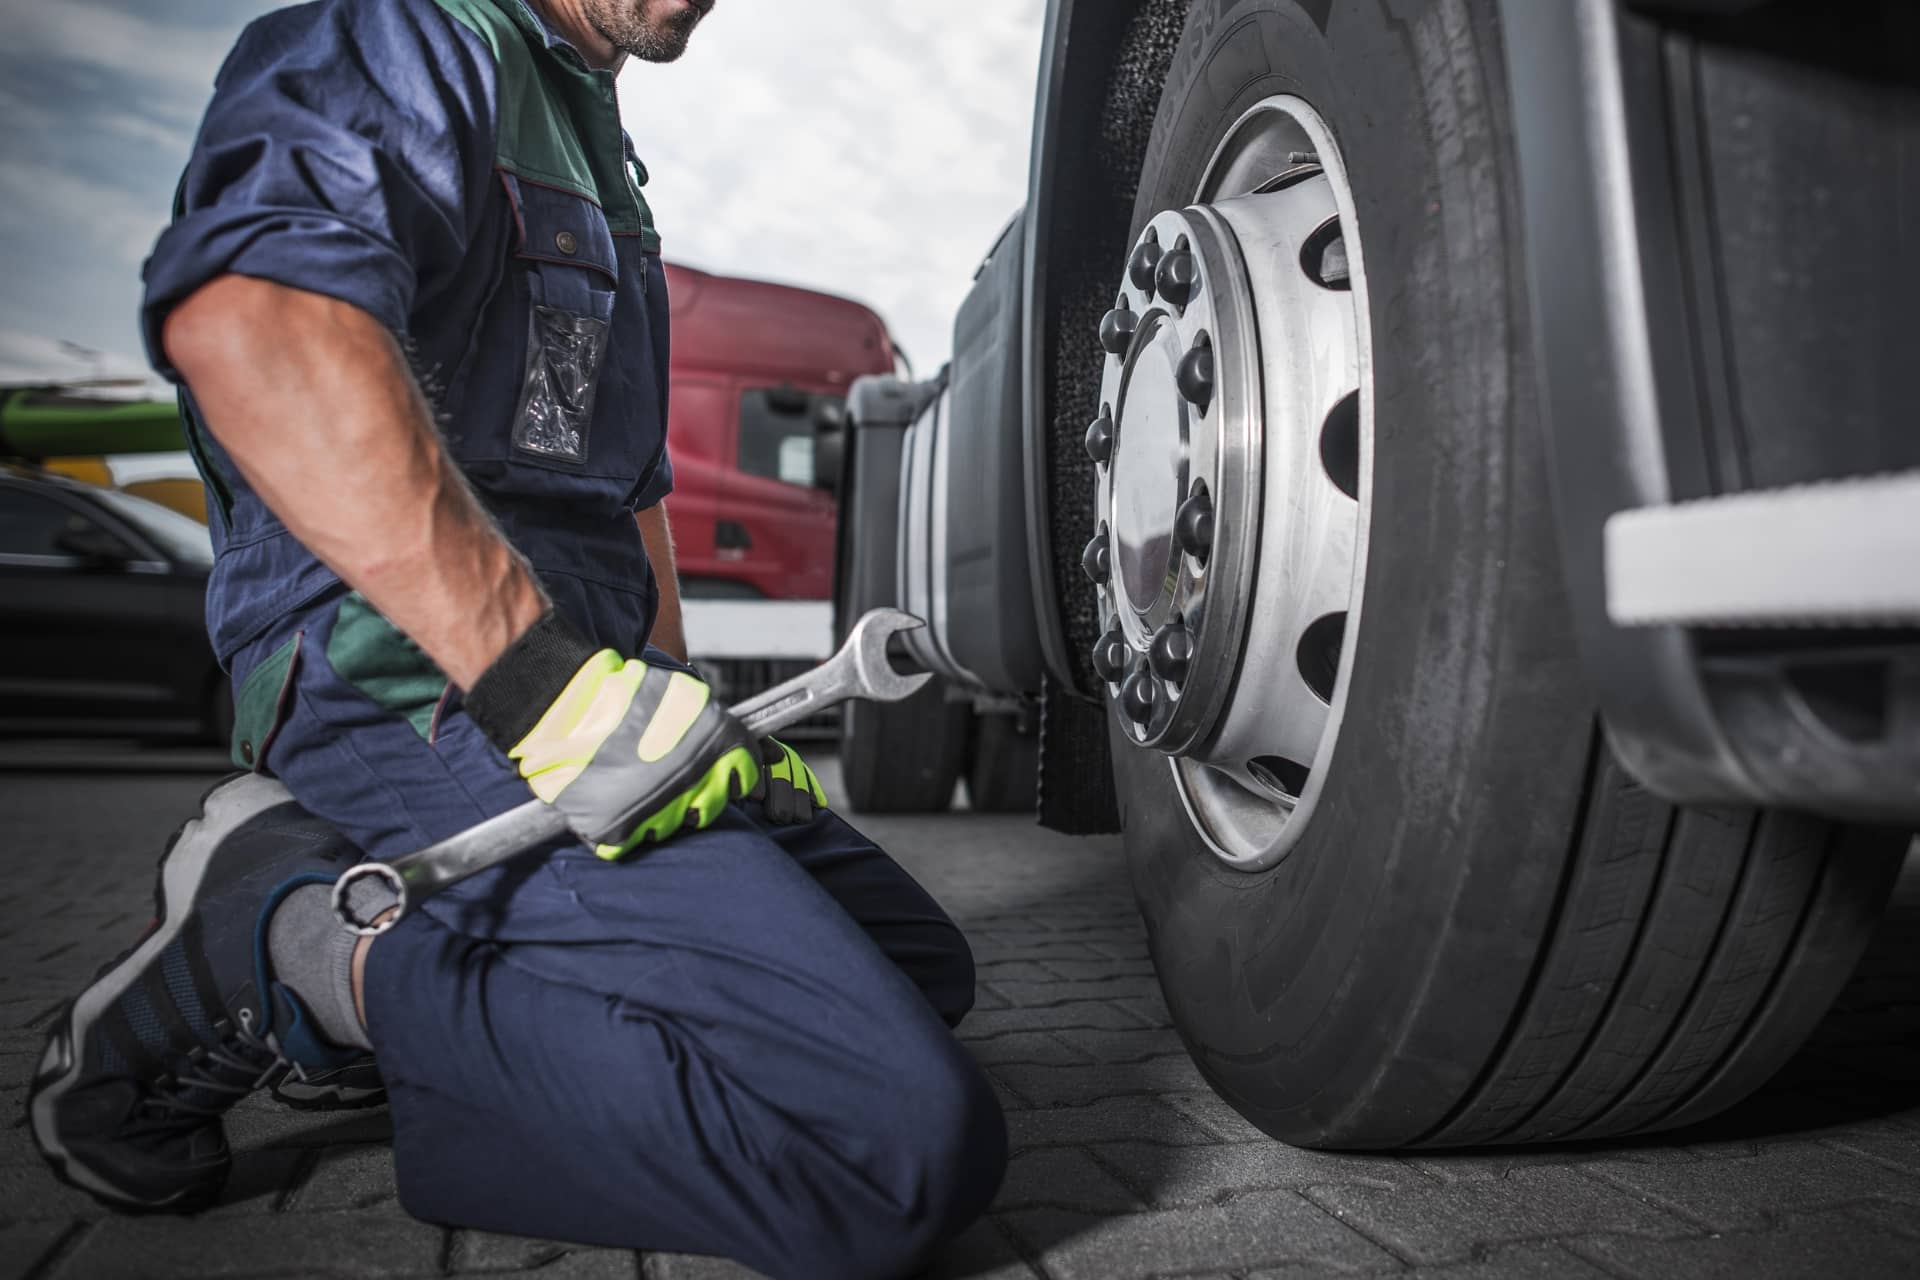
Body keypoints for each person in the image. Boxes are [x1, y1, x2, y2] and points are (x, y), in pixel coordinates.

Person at [26, 1, 1008, 1274]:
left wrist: (676, 700)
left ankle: (425, 956)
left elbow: (628, 492)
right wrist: (542, 690)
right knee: (891, 1147)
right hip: (406, 668)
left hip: (576, 674)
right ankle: (294, 949)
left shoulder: (596, 142)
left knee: (916, 968)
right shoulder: (412, 35)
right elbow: (255, 322)